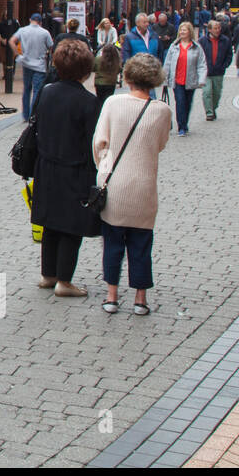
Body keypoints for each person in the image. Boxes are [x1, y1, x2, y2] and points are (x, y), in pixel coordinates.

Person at [94, 55, 172, 316]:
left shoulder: (113, 103)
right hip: (144, 185)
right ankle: (140, 298)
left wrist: (105, 165)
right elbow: (160, 144)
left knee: (113, 242)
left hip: (115, 183)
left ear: (127, 76)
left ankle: (112, 296)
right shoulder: (162, 110)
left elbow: (99, 143)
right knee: (141, 244)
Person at [30, 39, 101, 298]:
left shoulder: (47, 92)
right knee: (71, 225)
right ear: (85, 69)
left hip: (46, 166)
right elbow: (92, 141)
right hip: (75, 169)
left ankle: (48, 275)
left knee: (50, 222)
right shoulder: (88, 102)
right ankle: (64, 281)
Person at [163, 22, 207, 136]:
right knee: (180, 102)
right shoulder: (174, 47)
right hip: (177, 80)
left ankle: (185, 123)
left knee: (188, 103)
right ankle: (181, 127)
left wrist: (202, 79)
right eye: (181, 30)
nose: (182, 32)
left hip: (190, 80)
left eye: (185, 30)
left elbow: (201, 64)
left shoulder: (196, 47)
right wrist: (164, 78)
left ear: (190, 32)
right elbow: (167, 63)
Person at [10, 12, 54, 121]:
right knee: (37, 90)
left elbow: (11, 41)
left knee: (27, 90)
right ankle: (32, 114)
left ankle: (25, 115)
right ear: (40, 22)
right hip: (40, 65)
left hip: (26, 63)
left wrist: (17, 55)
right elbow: (51, 47)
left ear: (30, 20)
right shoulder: (45, 33)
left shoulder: (22, 30)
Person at [198, 19, 233, 123]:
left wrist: (224, 65)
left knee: (217, 93)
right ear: (209, 30)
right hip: (206, 72)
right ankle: (209, 113)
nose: (218, 30)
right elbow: (198, 55)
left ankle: (213, 108)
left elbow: (229, 54)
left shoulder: (225, 40)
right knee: (207, 92)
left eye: (219, 28)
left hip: (219, 71)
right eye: (215, 28)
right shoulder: (202, 41)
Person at [93, 42, 121, 109]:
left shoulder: (98, 59)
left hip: (99, 82)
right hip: (111, 82)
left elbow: (93, 68)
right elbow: (119, 70)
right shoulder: (116, 61)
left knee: (100, 100)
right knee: (108, 100)